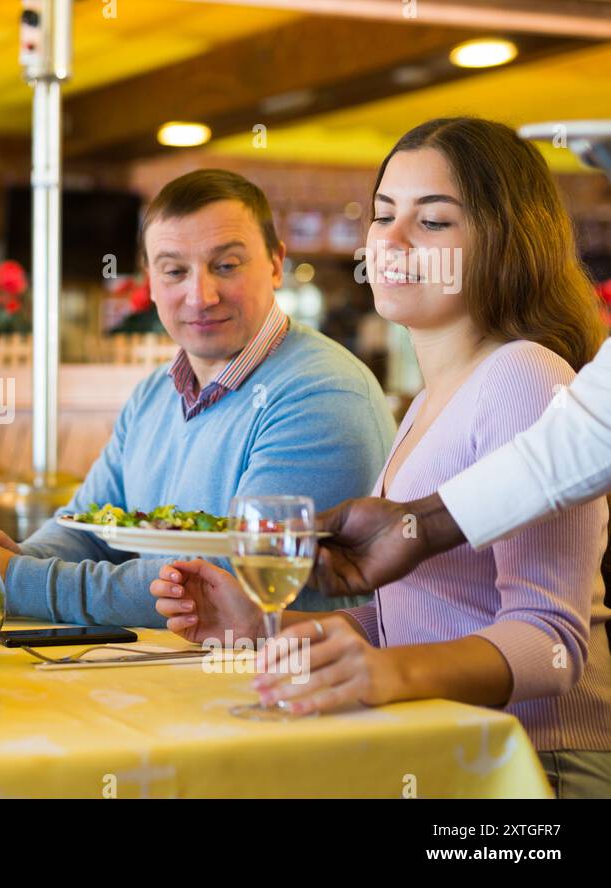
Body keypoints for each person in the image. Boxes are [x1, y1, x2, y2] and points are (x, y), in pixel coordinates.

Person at [150, 118, 611, 798]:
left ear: (506, 242)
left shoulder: (524, 376)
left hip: (537, 769)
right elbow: (415, 619)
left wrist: (388, 675)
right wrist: (266, 626)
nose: (389, 242)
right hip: (451, 750)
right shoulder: (429, 403)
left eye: (433, 223)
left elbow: (550, 644)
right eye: (384, 215)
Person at [0, 169, 395, 625]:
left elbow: (223, 587)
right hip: (168, 677)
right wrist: (12, 557)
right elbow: (89, 529)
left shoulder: (323, 394)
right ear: (150, 281)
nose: (201, 295)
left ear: (275, 264)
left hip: (289, 684)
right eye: (175, 271)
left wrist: (17, 578)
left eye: (226, 266)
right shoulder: (154, 393)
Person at [312, 336, 610, 597]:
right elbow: (406, 624)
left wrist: (421, 525)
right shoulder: (424, 401)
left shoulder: (520, 369)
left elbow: (547, 638)